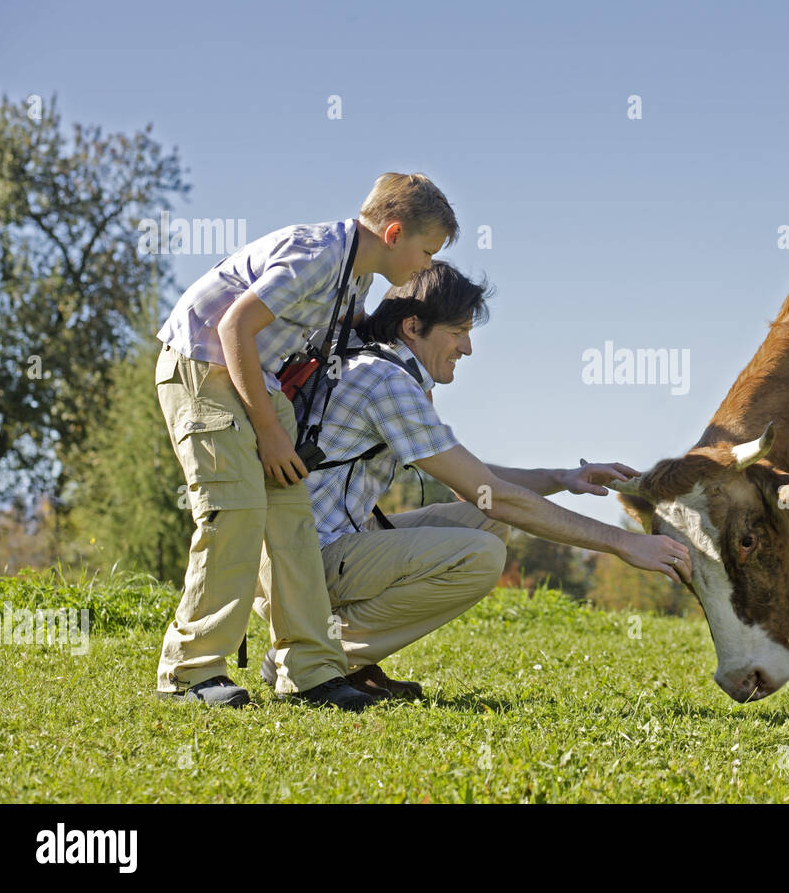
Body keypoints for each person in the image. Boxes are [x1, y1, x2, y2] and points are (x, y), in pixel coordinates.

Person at [256, 262, 692, 698]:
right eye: (457, 331)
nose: (466, 348)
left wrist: (562, 477)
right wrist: (623, 543)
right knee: (479, 554)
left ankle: (332, 654)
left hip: (303, 548)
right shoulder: (387, 382)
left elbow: (471, 478)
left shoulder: (375, 364)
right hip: (301, 561)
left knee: (484, 525)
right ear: (413, 326)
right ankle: (311, 657)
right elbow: (494, 496)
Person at [153, 172, 456, 709]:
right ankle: (190, 671)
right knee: (235, 512)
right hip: (202, 366)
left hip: (259, 382)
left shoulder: (354, 276)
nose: (425, 267)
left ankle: (311, 672)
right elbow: (234, 327)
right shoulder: (318, 255)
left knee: (293, 524)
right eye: (426, 250)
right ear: (393, 234)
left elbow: (357, 334)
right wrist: (271, 435)